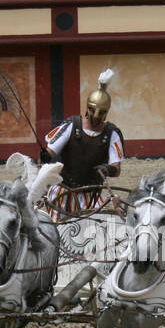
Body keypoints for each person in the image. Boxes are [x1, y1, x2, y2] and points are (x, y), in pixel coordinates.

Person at [40, 68, 124, 220]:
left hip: (90, 195)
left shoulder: (111, 134)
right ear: (88, 108)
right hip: (63, 191)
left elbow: (117, 169)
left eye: (100, 113)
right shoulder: (72, 126)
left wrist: (108, 169)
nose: (96, 116)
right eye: (92, 111)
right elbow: (50, 152)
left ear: (106, 112)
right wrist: (46, 156)